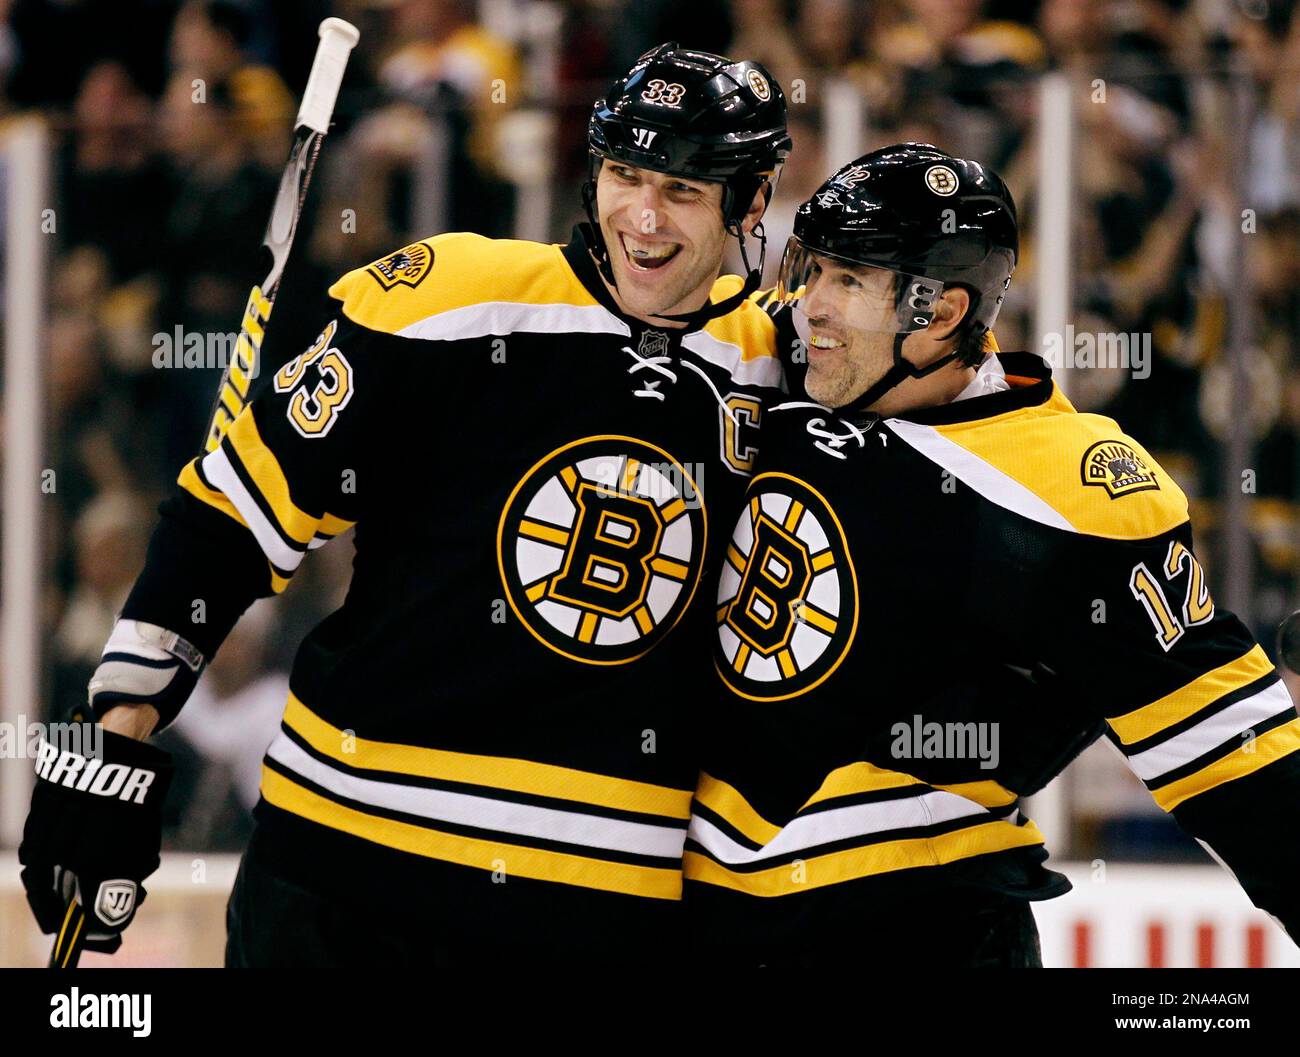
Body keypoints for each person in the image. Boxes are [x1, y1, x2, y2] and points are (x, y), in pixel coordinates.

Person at [20, 43, 791, 966]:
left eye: (684, 189)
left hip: (592, 908)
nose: (644, 216)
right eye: (625, 174)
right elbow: (231, 517)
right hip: (347, 876)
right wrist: (118, 729)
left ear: (749, 203)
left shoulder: (785, 372)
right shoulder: (449, 301)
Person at [684, 144, 1300, 966]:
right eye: (814, 268)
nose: (808, 309)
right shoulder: (749, 363)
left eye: (851, 281)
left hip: (914, 937)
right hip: (699, 930)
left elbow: (1240, 771)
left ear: (940, 313)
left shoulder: (1071, 493)